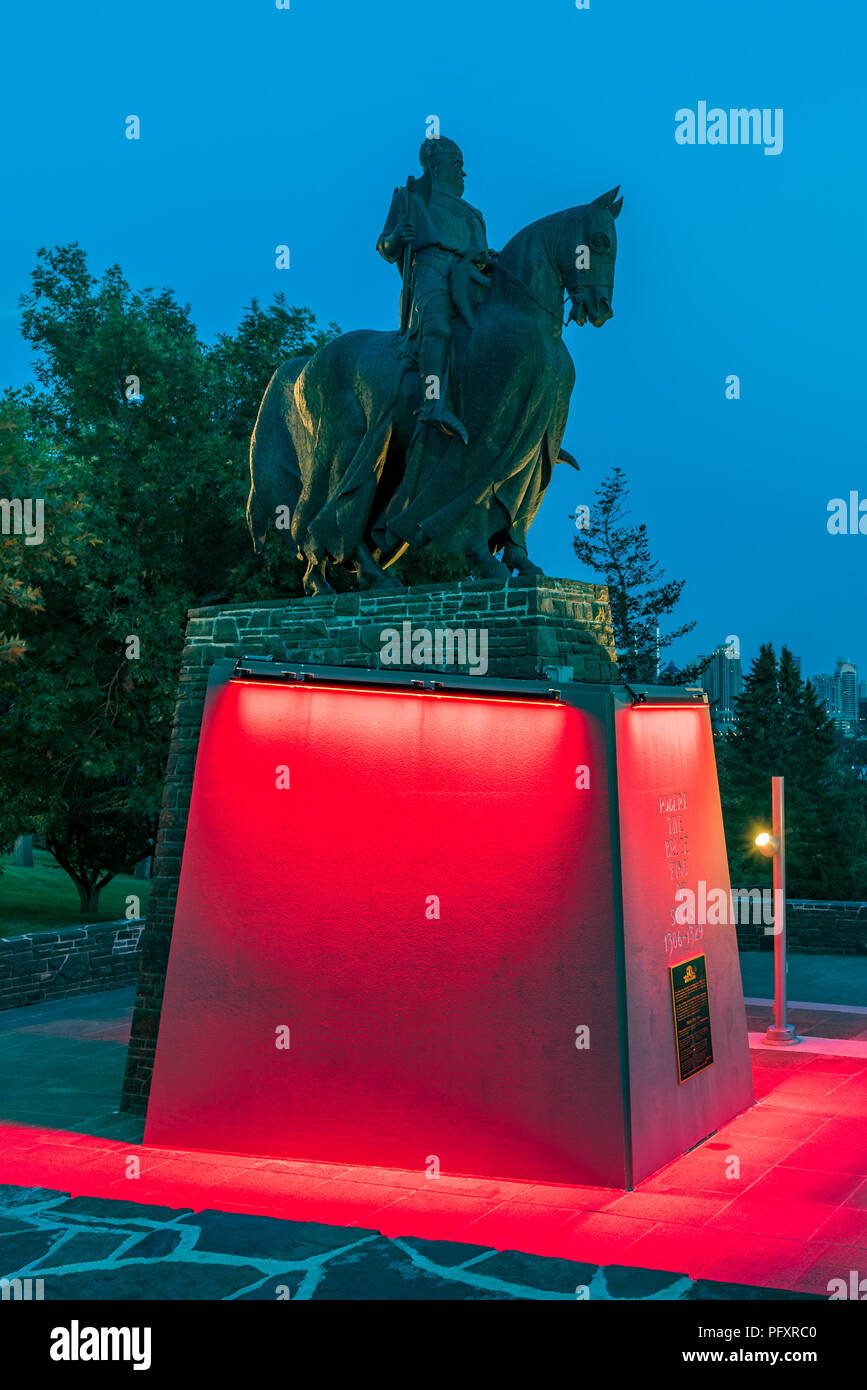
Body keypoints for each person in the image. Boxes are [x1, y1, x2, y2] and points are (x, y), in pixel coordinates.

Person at [377, 136, 495, 443]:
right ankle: (433, 403)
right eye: (457, 165)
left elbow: (480, 256)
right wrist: (396, 239)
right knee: (438, 327)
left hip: (468, 277)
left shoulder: (473, 213)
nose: (462, 173)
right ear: (434, 164)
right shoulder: (411, 196)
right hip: (430, 272)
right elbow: (385, 246)